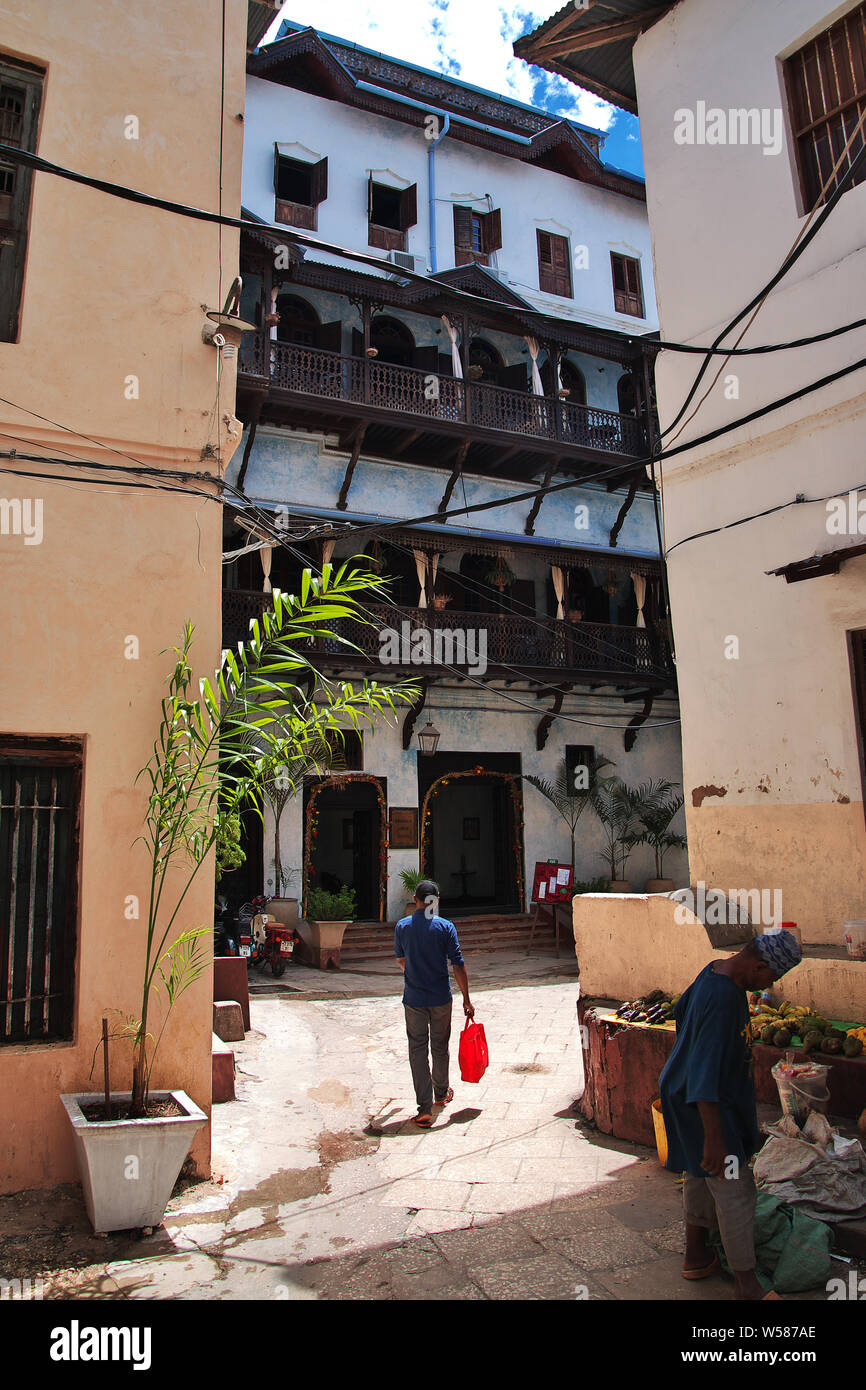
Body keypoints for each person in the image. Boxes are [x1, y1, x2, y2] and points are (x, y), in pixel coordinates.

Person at [659, 928, 802, 1301]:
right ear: (759, 966)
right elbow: (704, 1075)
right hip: (704, 1102)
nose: (770, 985)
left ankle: (697, 1255)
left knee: (698, 1171)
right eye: (773, 977)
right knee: (734, 1186)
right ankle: (747, 1284)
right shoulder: (724, 1000)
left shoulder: (715, 970)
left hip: (681, 1092)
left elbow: (681, 1013)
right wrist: (715, 1137)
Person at [394, 880, 474, 1128]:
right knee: (440, 1046)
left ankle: (424, 1109)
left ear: (415, 900)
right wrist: (467, 999)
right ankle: (441, 1093)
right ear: (436, 901)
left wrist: (414, 972)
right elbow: (458, 964)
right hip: (441, 997)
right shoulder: (445, 927)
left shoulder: (403, 926)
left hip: (414, 998)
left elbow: (401, 961)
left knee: (417, 1050)